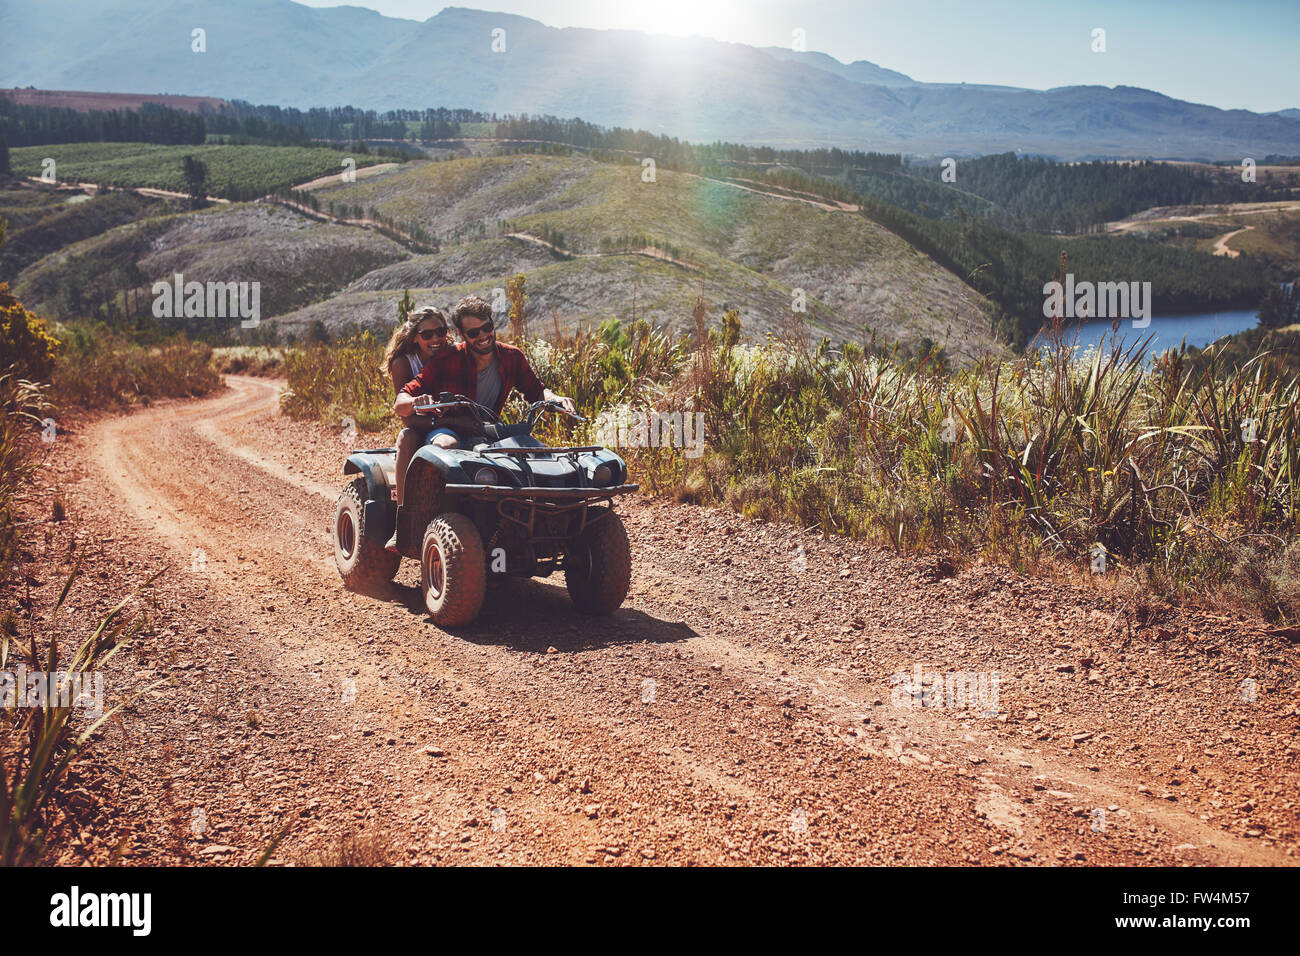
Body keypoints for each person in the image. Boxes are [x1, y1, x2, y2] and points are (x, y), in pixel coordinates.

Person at [393, 295, 575, 451]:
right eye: (473, 332)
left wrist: (555, 399)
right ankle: (438, 492)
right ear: (460, 333)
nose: (483, 336)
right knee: (447, 445)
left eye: (487, 328)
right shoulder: (446, 360)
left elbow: (536, 391)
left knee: (536, 451)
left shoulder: (512, 356)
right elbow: (401, 401)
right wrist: (414, 401)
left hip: (489, 430)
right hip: (448, 429)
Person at [382, 307, 451, 551]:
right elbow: (406, 417)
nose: (435, 339)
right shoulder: (404, 362)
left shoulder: (453, 355)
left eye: (440, 332)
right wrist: (441, 422)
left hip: (450, 425)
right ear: (415, 337)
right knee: (406, 438)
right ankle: (403, 523)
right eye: (427, 334)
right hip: (419, 425)